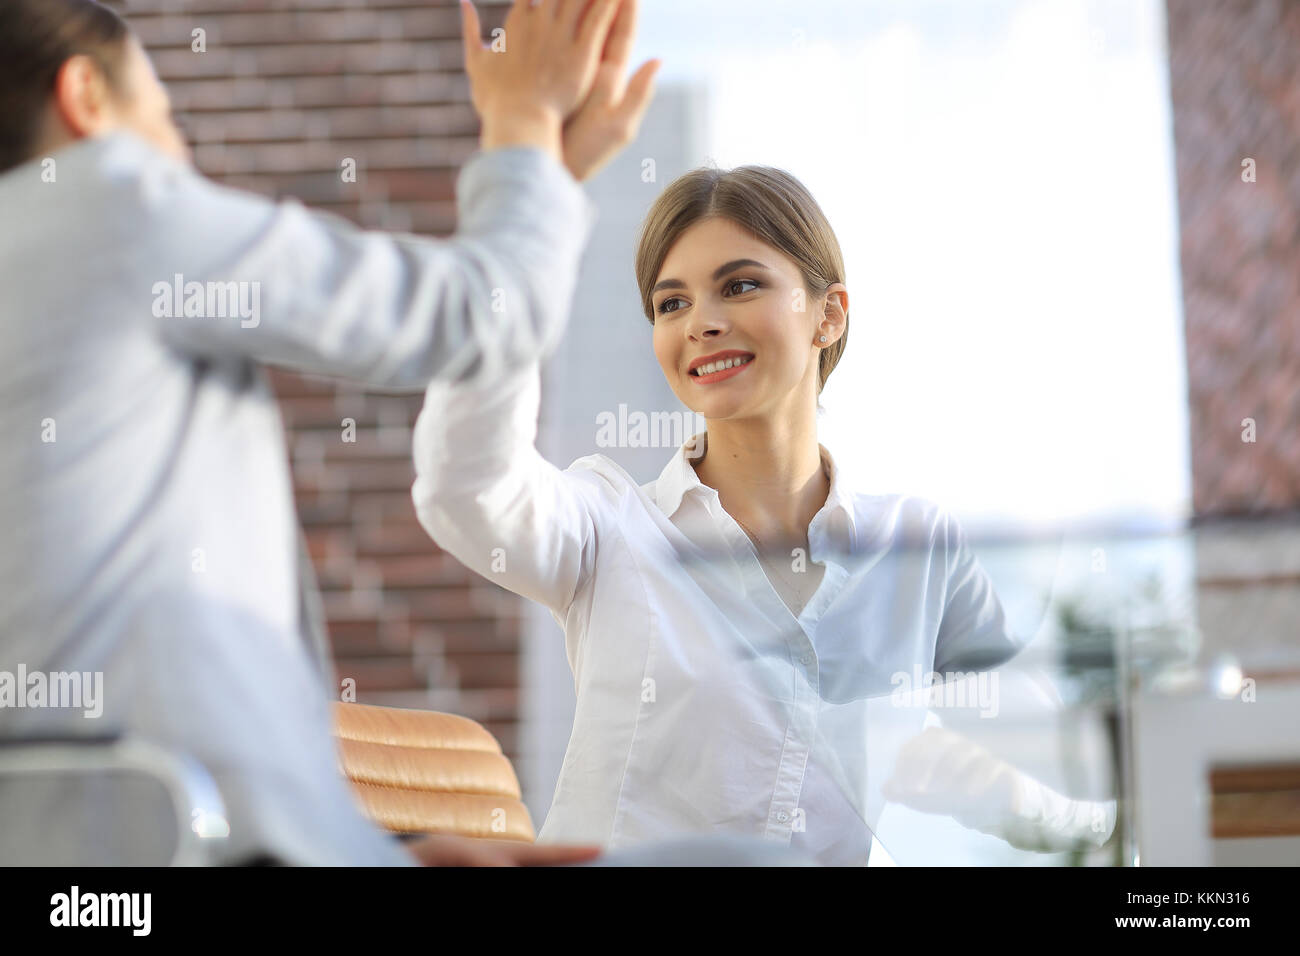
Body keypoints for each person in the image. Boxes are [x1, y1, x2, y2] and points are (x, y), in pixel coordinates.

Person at [0, 0, 659, 866]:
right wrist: (523, 123)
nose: (181, 160)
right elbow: (481, 310)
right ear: (85, 96)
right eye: (165, 119)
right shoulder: (113, 205)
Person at [412, 165, 1119, 864]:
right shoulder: (608, 525)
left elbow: (1050, 746)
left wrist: (1095, 825)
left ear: (829, 313)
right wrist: (522, 220)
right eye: (671, 304)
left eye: (739, 286)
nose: (702, 324)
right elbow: (464, 488)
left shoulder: (916, 547)